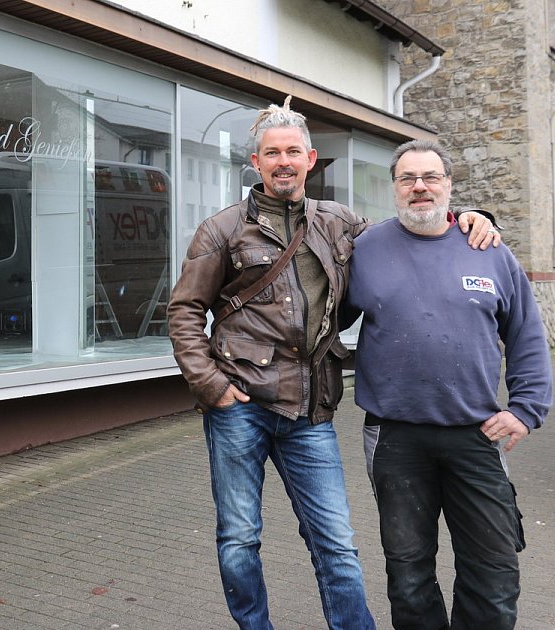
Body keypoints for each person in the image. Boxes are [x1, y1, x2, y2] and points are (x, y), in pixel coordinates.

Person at [166, 98, 500, 630]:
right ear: (256, 162)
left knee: (338, 544)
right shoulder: (221, 230)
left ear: (310, 158)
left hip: (310, 410)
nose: (283, 161)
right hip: (239, 405)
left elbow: (411, 233)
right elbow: (185, 310)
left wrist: (466, 219)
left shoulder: (340, 223)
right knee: (239, 539)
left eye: (292, 151)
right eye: (272, 152)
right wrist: (211, 386)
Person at [342, 139, 553, 629]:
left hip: (478, 434)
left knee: (493, 567)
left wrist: (525, 409)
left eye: (431, 177)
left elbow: (525, 332)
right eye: (408, 179)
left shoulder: (489, 249)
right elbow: (324, 319)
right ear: (393, 188)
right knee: (409, 570)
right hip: (394, 436)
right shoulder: (366, 250)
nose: (420, 187)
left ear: (449, 185)